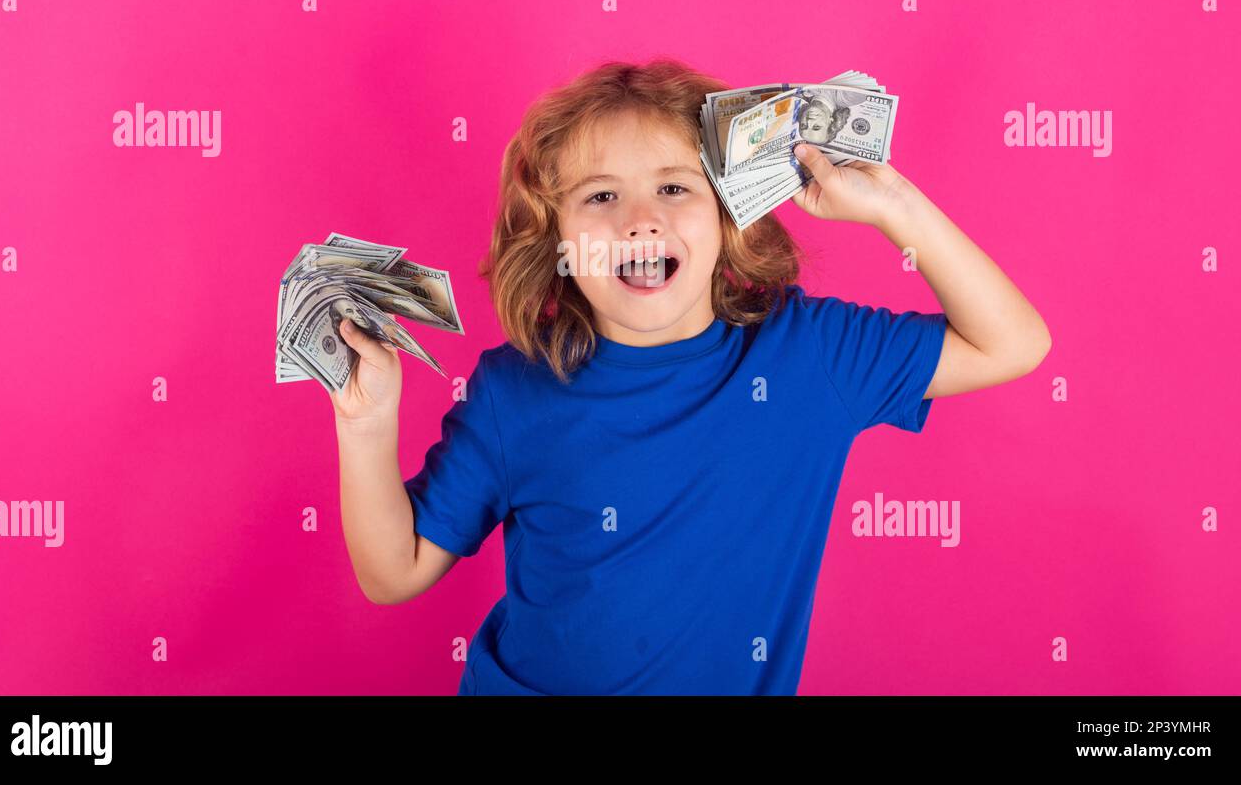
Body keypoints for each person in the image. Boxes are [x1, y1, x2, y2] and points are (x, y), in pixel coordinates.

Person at [328, 59, 1051, 695]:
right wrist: (366, 423)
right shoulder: (515, 388)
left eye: (674, 188)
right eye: (601, 197)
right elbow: (395, 573)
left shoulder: (809, 354)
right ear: (559, 240)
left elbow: (1011, 343)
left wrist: (896, 210)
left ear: (729, 214)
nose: (641, 222)